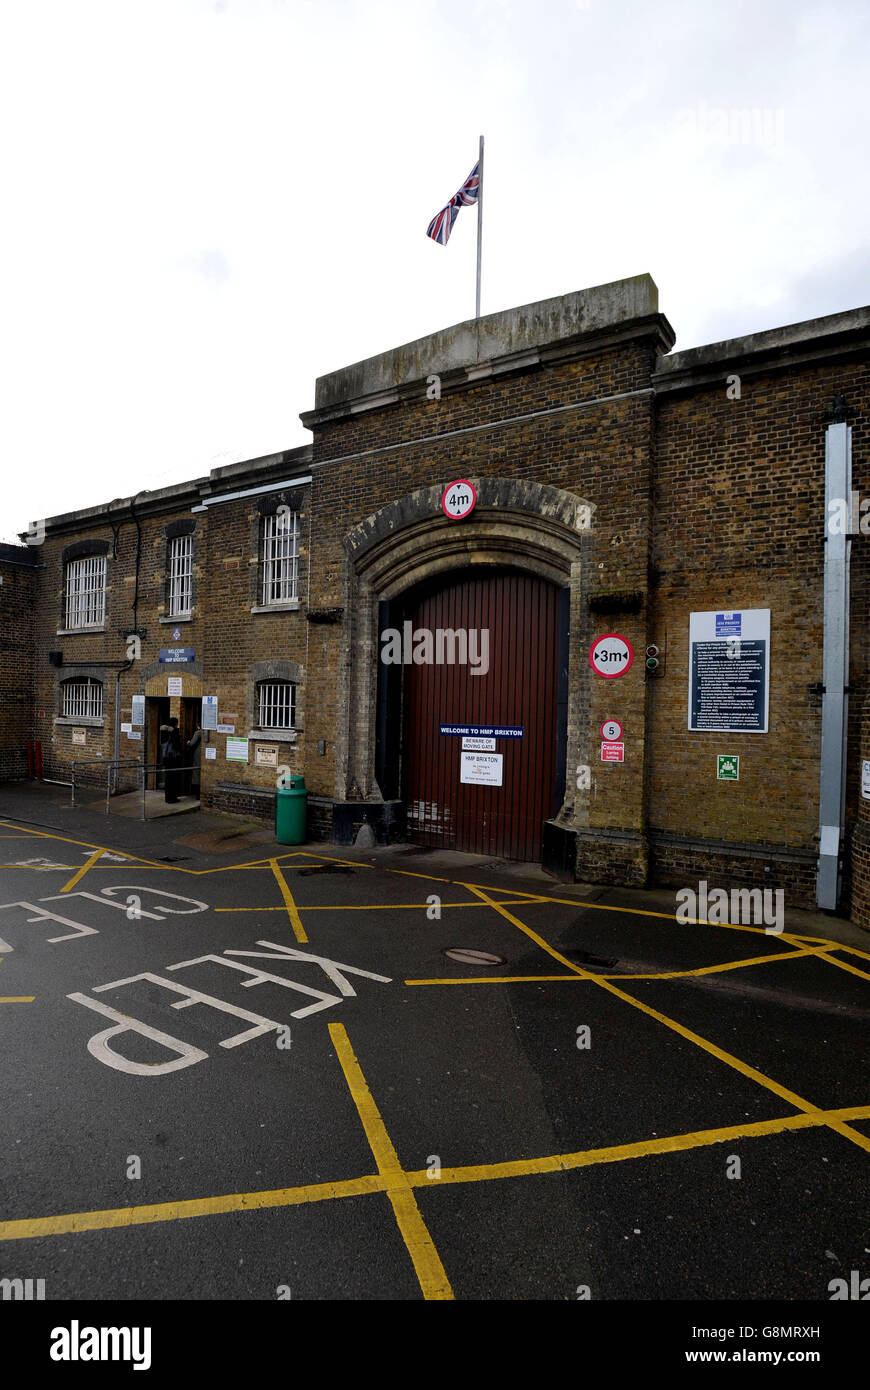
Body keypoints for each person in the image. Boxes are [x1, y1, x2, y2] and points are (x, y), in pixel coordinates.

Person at [160, 718, 183, 803]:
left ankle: (168, 797)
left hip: (166, 758)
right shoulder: (173, 732)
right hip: (173, 758)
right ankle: (172, 798)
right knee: (173, 779)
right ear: (175, 724)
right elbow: (176, 745)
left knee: (168, 779)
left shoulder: (163, 732)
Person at [185, 720, 202, 799]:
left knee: (196, 773)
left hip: (198, 754)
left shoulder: (198, 732)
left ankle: (197, 794)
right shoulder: (205, 732)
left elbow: (192, 743)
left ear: (198, 725)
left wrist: (188, 742)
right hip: (204, 754)